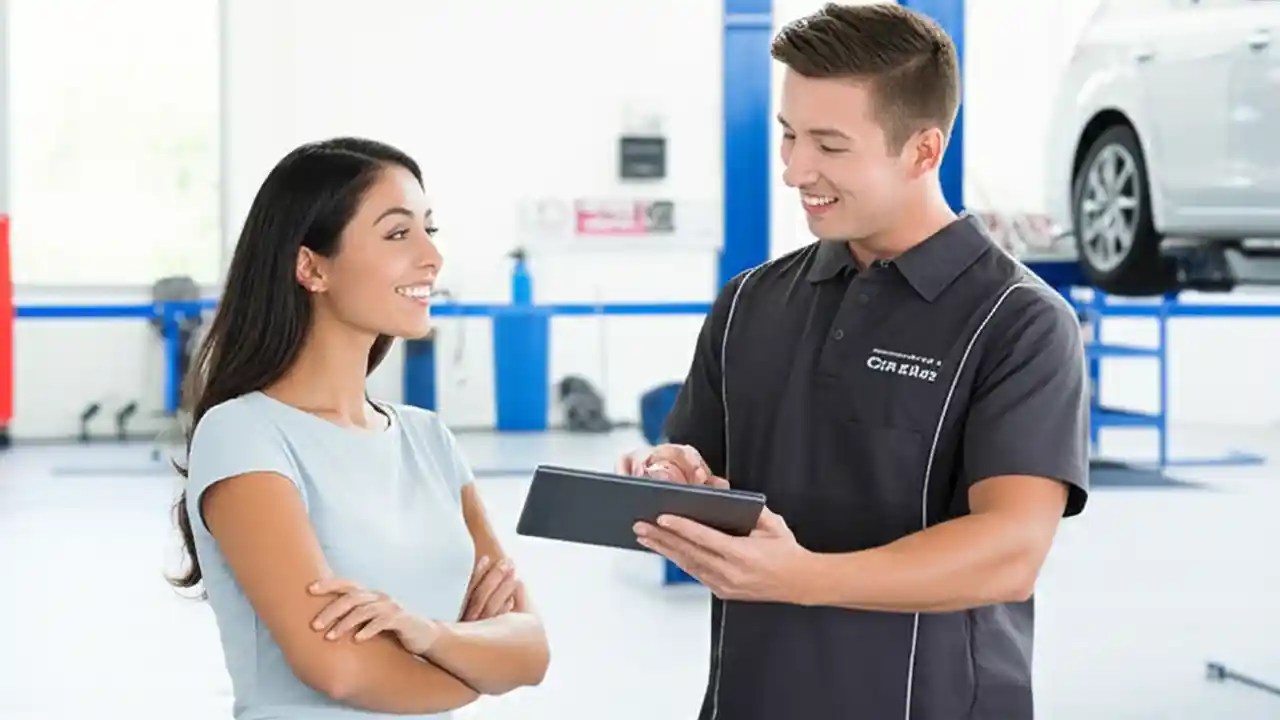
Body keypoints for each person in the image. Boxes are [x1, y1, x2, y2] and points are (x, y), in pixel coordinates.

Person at [618, 5, 1088, 720]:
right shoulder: (748, 302)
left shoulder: (1020, 322)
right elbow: (702, 466)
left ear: (924, 151)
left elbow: (1011, 550)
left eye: (830, 146)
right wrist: (672, 477)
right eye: (789, 136)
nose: (795, 170)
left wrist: (805, 577)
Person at [169, 137, 550, 719]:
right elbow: (339, 669)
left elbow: (530, 651)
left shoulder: (429, 440)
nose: (432, 257)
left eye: (430, 230)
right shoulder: (243, 435)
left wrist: (426, 636)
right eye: (398, 234)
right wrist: (476, 675)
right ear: (311, 266)